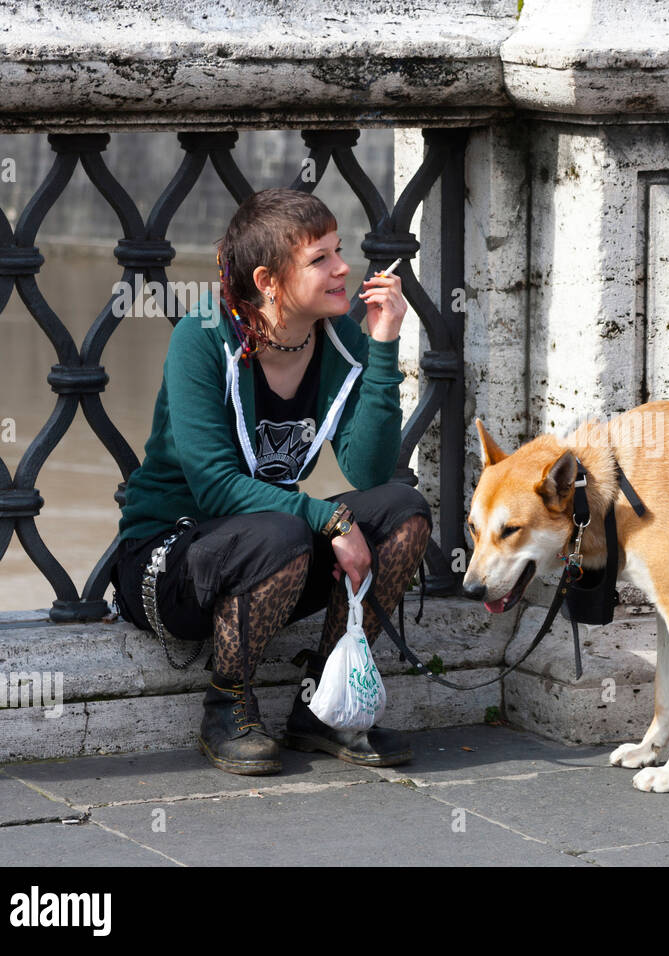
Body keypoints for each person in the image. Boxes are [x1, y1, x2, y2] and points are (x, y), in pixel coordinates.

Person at [109, 187, 432, 776]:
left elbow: (367, 471)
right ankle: (227, 705)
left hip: (269, 549)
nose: (344, 269)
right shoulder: (204, 338)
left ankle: (323, 709)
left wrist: (384, 345)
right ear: (268, 279)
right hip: (169, 563)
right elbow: (213, 486)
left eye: (339, 251)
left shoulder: (340, 340)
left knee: (403, 509)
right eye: (320, 260)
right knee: (283, 529)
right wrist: (328, 520)